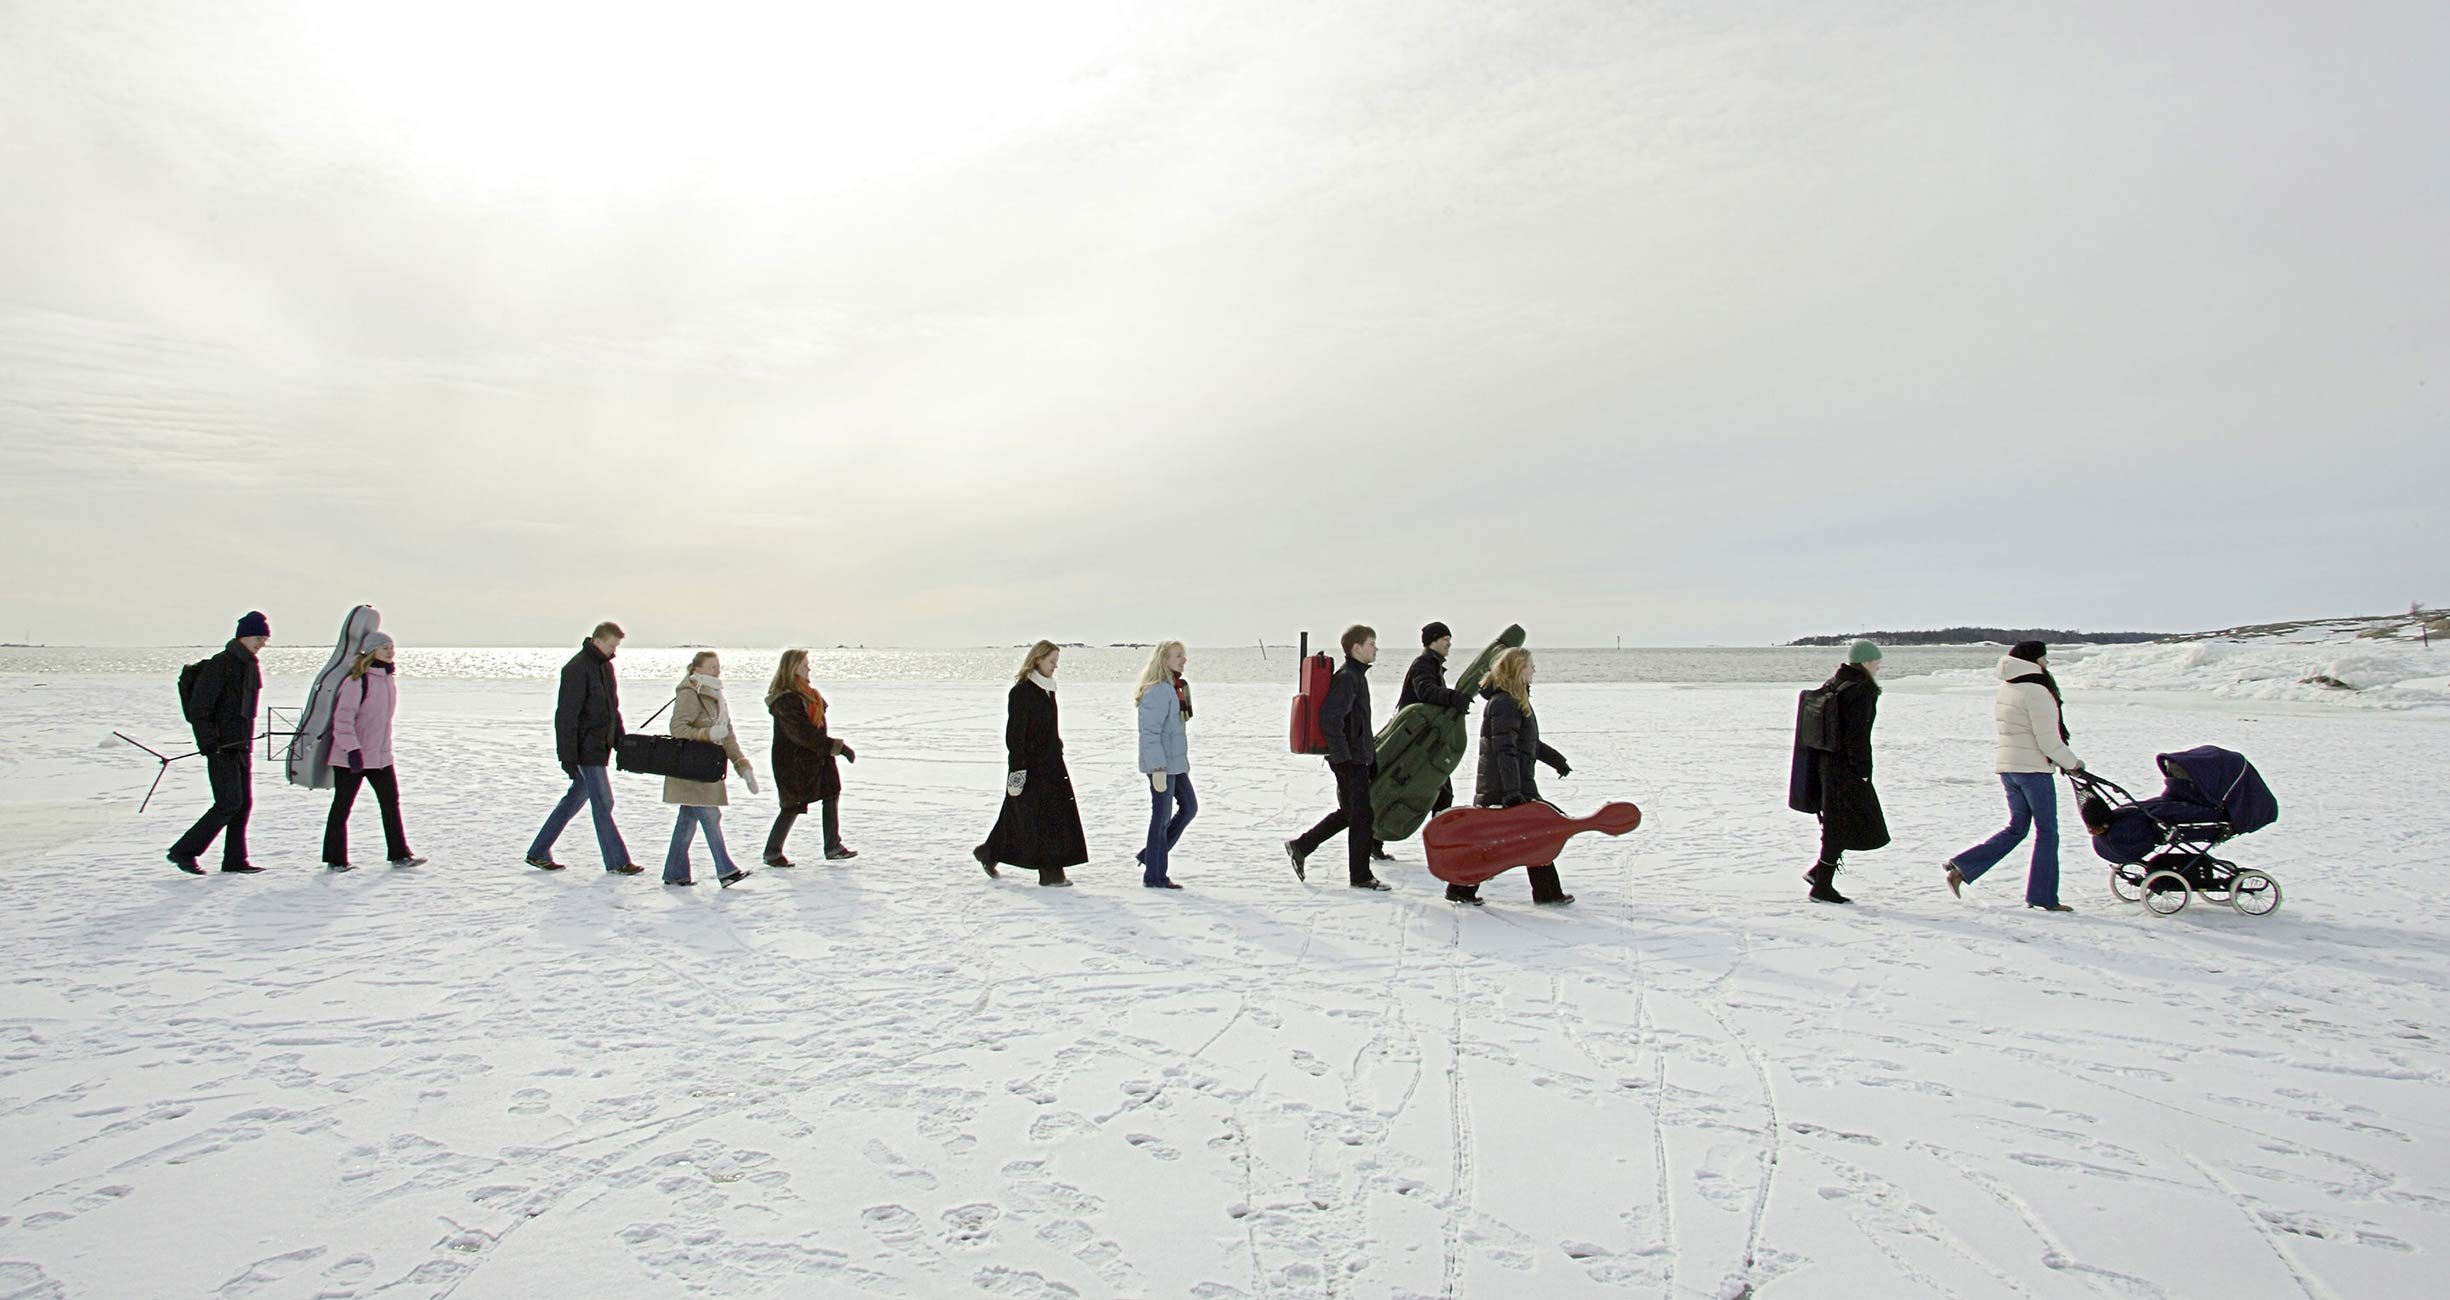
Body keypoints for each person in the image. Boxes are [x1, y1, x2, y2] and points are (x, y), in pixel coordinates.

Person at [1944, 641, 2084, 911]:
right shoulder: (2037, 691)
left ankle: (1962, 867)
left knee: (2017, 827)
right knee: (2047, 832)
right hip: (2033, 771)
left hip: (2009, 767)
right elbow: (2048, 740)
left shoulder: (2008, 687)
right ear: (2034, 661)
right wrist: (2073, 763)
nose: (2047, 664)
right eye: (2044, 659)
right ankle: (2043, 896)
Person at [1452, 647, 1575, 906]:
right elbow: (1504, 749)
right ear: (1518, 669)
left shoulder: (1513, 700)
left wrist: (1557, 761)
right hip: (1503, 786)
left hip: (1514, 783)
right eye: (1530, 665)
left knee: (1532, 834)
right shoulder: (1504, 703)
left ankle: (1545, 892)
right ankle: (1463, 889)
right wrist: (1512, 793)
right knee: (1526, 835)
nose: (1534, 670)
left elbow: (1527, 743)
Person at [1285, 625, 1392, 891]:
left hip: (1357, 758)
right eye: (1371, 644)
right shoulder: (1347, 678)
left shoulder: (1357, 676)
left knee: (1351, 814)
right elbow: (1331, 719)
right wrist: (1344, 758)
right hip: (1349, 761)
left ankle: (1301, 846)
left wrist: (1370, 756)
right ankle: (1361, 877)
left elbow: (1357, 724)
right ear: (1356, 648)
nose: (1375, 648)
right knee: (1361, 817)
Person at [527, 622, 640, 874]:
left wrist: (621, 741)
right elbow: (566, 717)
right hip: (584, 750)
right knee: (603, 802)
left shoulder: (605, 668)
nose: (614, 651)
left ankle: (538, 851)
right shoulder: (576, 669)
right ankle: (617, 862)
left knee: (574, 800)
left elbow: (613, 709)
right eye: (611, 645)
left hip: (601, 747)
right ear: (598, 641)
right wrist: (567, 757)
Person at [974, 641, 1089, 886]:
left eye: (1056, 662)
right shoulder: (1022, 692)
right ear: (1037, 660)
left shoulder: (1048, 689)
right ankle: (1050, 872)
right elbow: (1015, 736)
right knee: (1039, 816)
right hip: (1030, 767)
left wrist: (1056, 744)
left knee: (1021, 814)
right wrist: (1018, 772)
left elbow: (1048, 727)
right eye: (1051, 662)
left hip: (1051, 764)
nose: (1055, 667)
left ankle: (989, 851)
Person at [168, 611, 270, 875]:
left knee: (243, 803)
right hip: (221, 747)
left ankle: (235, 860)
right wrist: (209, 743)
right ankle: (184, 851)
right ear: (244, 636)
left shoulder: (248, 665)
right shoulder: (220, 665)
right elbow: (200, 709)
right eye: (259, 638)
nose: (262, 643)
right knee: (228, 803)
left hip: (240, 744)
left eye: (264, 639)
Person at [1788, 640, 1888, 904]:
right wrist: (1864, 770)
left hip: (1823, 765)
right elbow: (1857, 736)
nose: (1879, 666)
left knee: (1839, 822)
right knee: (1845, 823)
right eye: (1876, 661)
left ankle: (1819, 874)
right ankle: (1821, 886)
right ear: (1865, 662)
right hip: (1846, 769)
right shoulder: (1861, 690)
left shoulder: (1834, 683)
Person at [321, 632, 423, 870]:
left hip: (380, 757)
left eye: (391, 647)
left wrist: (383, 751)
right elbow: (343, 720)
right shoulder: (357, 681)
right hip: (351, 758)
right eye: (384, 647)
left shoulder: (388, 680)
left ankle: (399, 854)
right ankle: (335, 860)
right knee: (342, 806)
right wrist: (353, 750)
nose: (390, 651)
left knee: (390, 803)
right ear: (371, 651)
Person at [663, 651, 757, 887]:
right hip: (691, 768)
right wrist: (706, 734)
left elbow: (728, 735)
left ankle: (675, 873)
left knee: (687, 818)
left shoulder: (716, 695)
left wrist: (742, 765)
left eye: (718, 666)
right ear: (697, 669)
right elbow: (677, 729)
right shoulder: (689, 693)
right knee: (710, 815)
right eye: (712, 666)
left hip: (706, 768)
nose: (717, 670)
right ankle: (726, 870)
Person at [763, 649, 856, 866]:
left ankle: (833, 846)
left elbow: (814, 731)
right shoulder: (786, 700)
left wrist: (830, 748)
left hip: (817, 758)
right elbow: (803, 734)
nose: (809, 668)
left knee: (831, 794)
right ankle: (772, 852)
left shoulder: (810, 695)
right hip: (794, 763)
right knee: (792, 805)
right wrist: (837, 747)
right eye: (805, 665)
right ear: (792, 668)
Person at [1395, 620, 1473, 828]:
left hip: (1422, 739)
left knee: (1441, 793)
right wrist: (1453, 697)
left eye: (1449, 639)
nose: (1449, 644)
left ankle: (1376, 840)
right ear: (1432, 642)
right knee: (1441, 794)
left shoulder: (1432, 664)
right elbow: (1425, 692)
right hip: (1416, 740)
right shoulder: (1424, 664)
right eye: (1445, 639)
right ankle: (1440, 844)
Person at [1133, 641, 1197, 889]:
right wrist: (1157, 768)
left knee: (1189, 807)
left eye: (1184, 654)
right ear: (1164, 659)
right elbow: (1149, 733)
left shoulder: (1176, 687)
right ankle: (1155, 876)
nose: (1184, 659)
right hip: (1162, 765)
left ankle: (1151, 855)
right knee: (1161, 817)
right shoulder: (1158, 690)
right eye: (1178, 655)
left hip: (1175, 763)